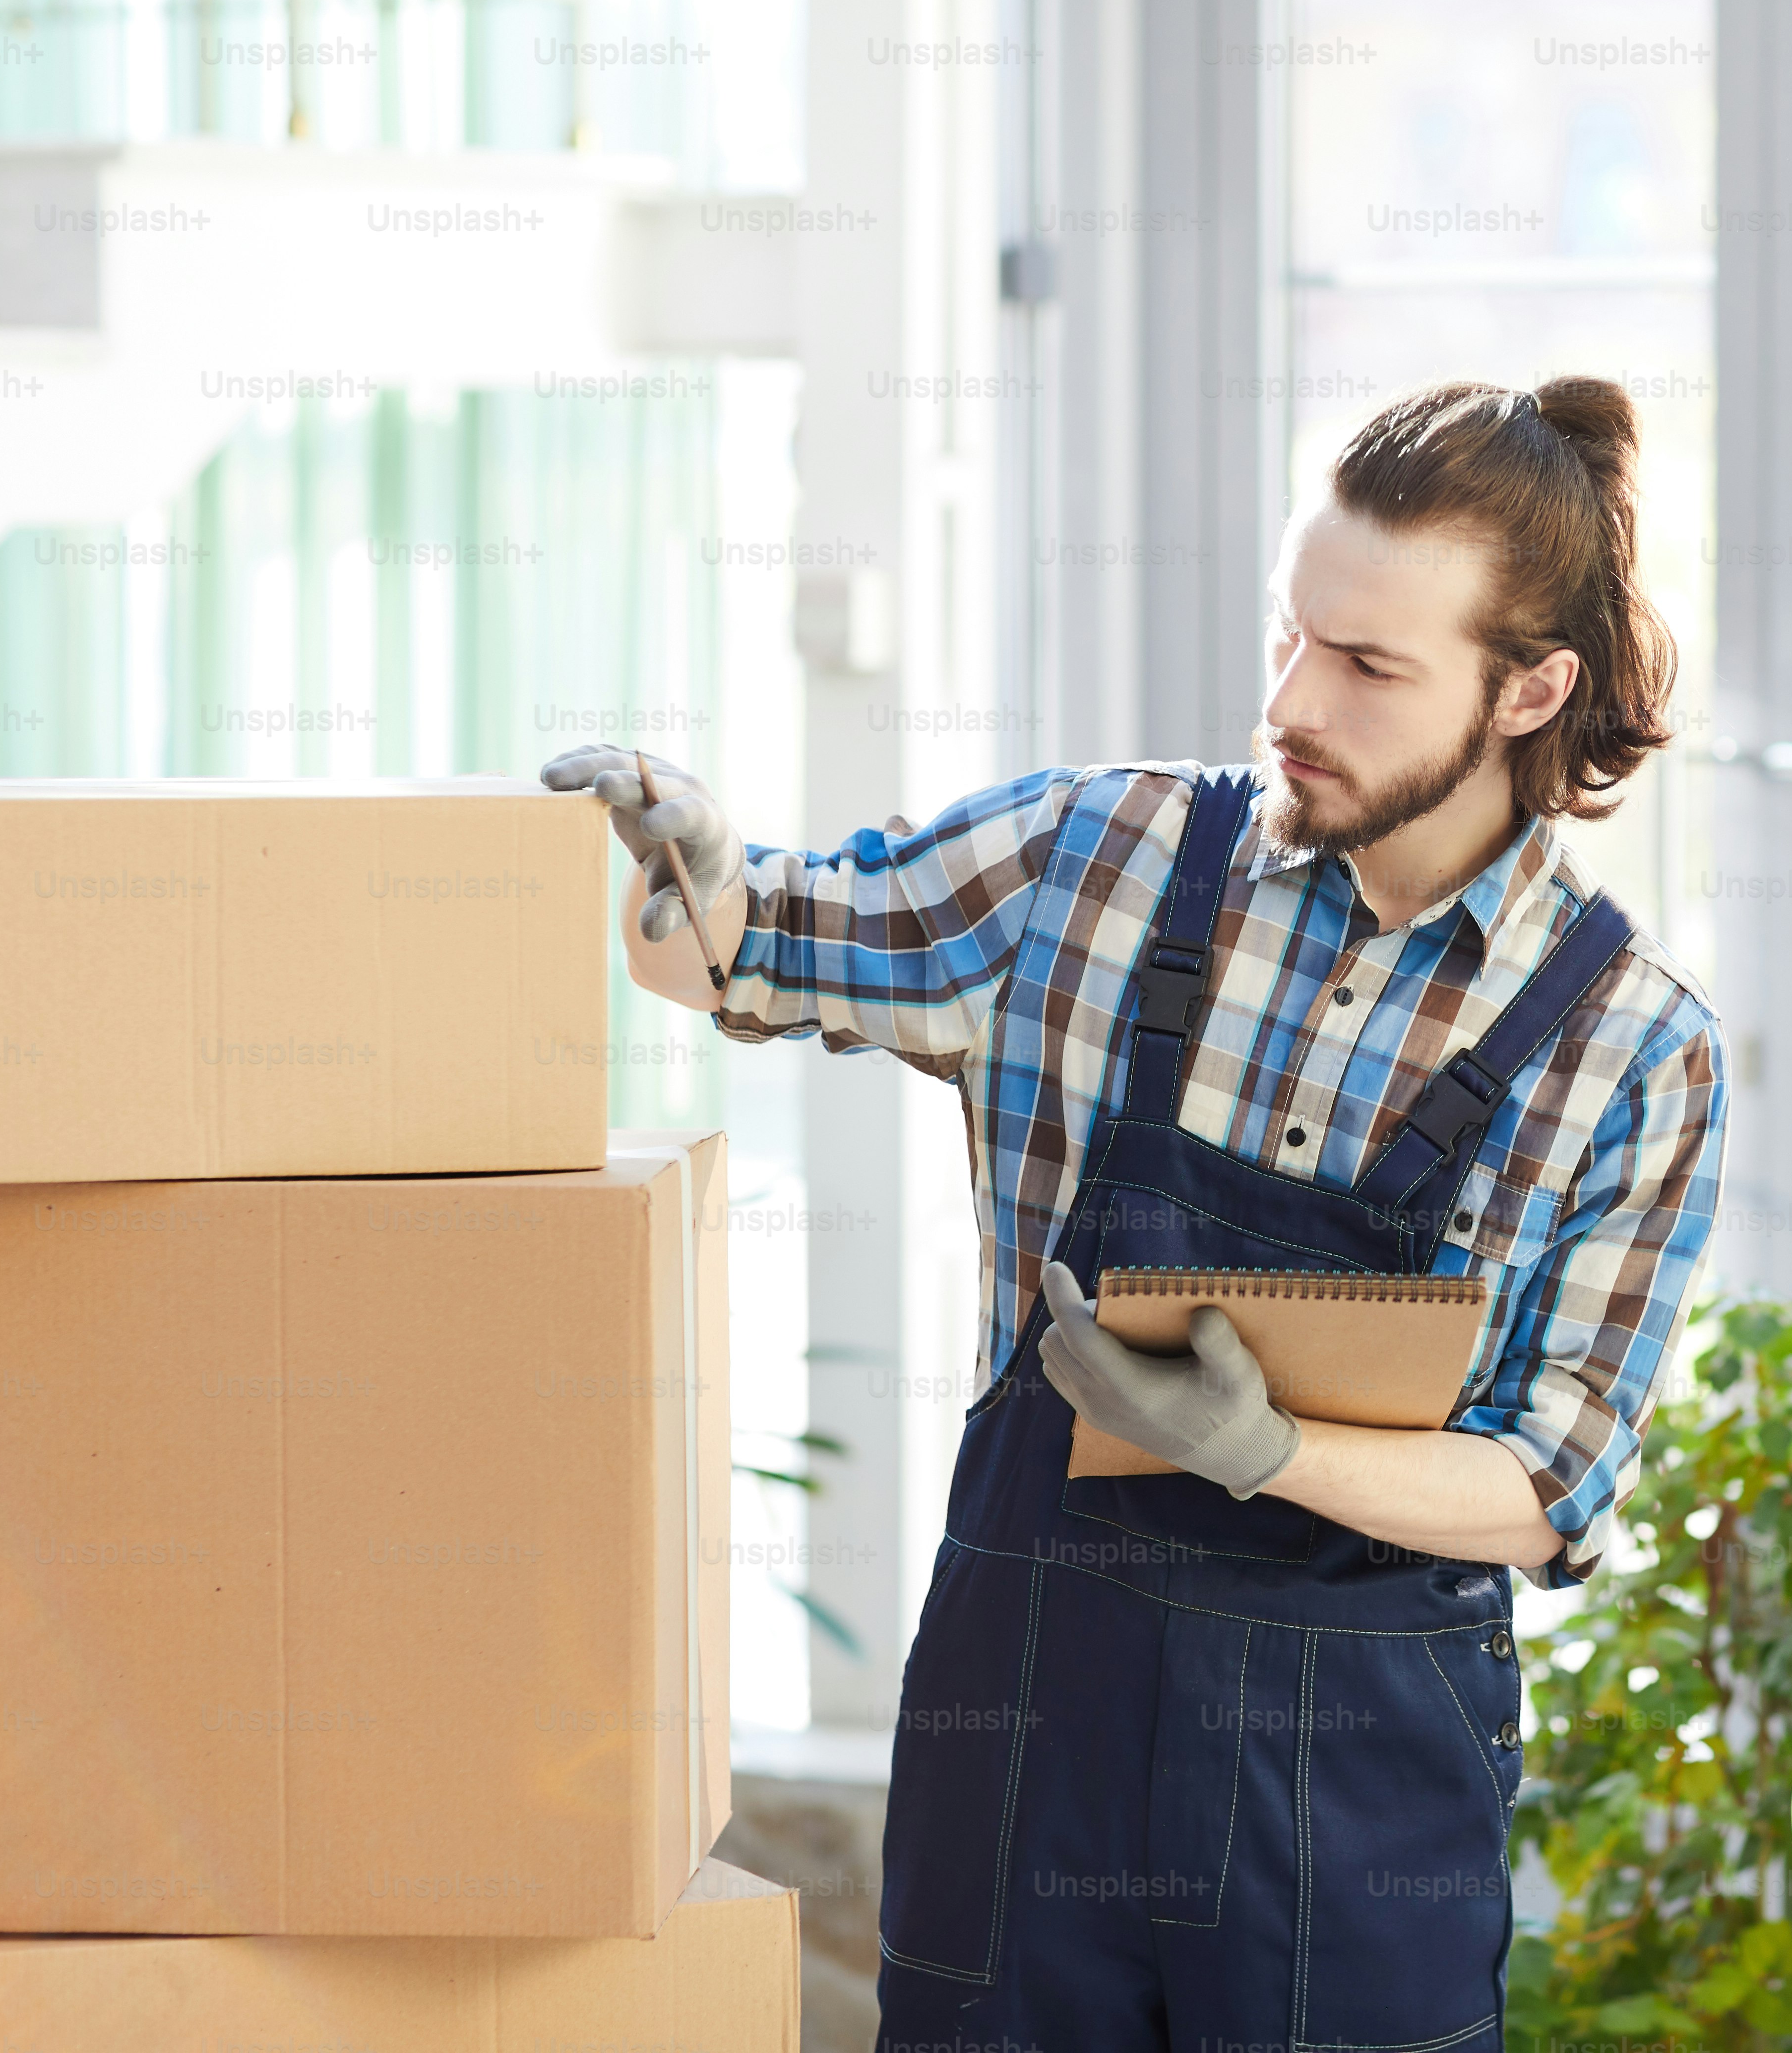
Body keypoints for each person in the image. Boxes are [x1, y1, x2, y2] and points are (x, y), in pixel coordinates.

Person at [545, 376, 1728, 2053]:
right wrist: (692, 873)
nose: (1295, 700)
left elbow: (1549, 1482)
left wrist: (1270, 1453)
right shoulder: (1087, 863)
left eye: (1372, 666)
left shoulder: (1630, 1052)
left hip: (1356, 1830)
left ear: (1532, 689)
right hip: (1035, 1754)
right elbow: (751, 948)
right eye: (1292, 635)